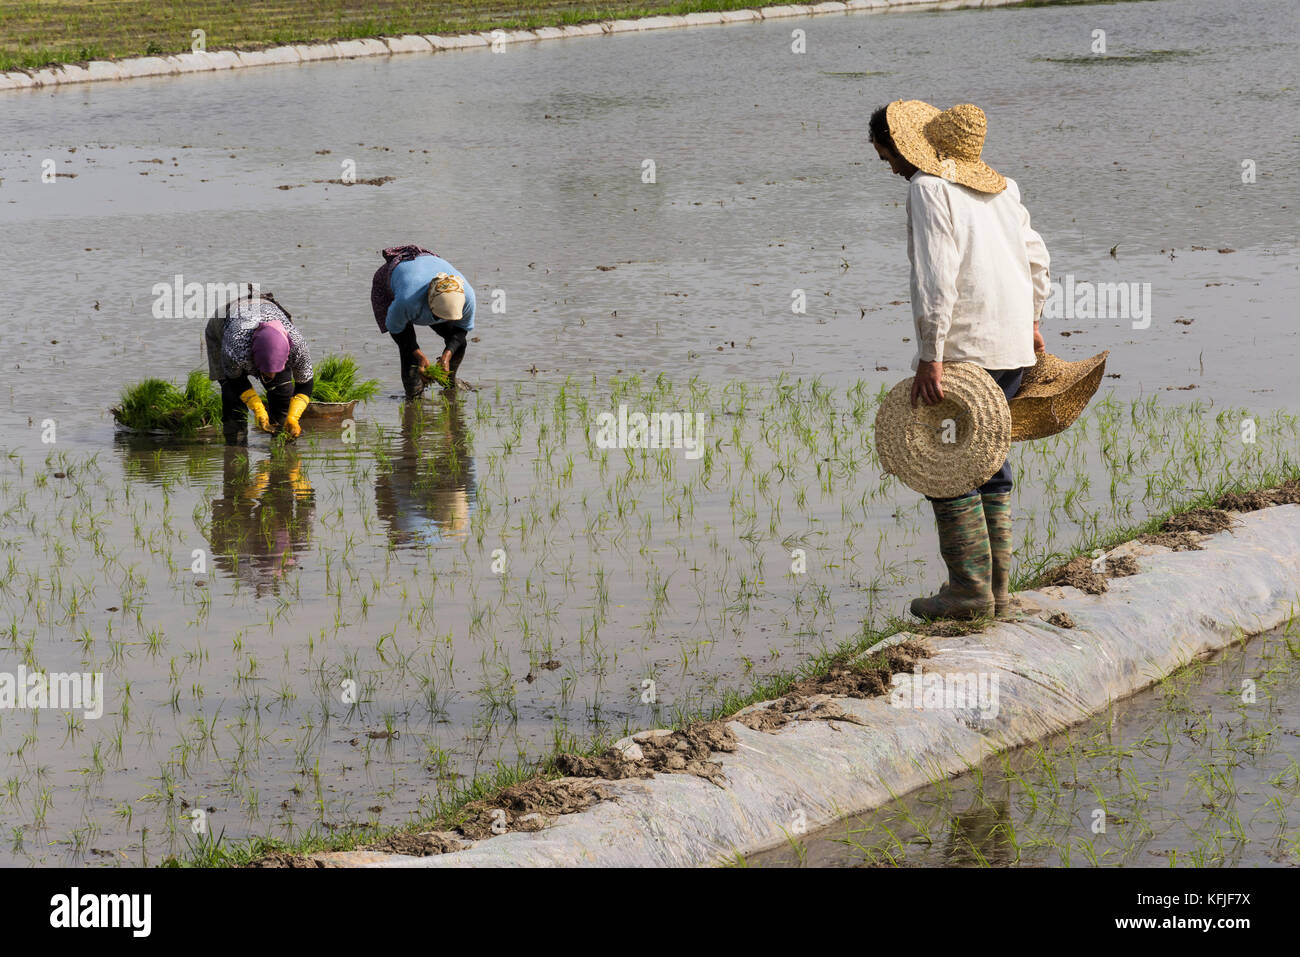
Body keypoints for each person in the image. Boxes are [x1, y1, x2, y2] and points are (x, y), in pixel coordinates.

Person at [869, 100, 1051, 620]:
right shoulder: (1004, 189)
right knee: (988, 461)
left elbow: (936, 277)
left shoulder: (928, 189)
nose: (887, 164)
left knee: (947, 466)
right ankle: (997, 591)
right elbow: (1037, 258)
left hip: (966, 353)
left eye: (884, 154)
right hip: (1011, 349)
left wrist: (931, 355)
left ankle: (968, 591)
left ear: (901, 146)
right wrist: (1033, 320)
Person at [204, 292, 314, 445]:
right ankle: (235, 446)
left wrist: (293, 417)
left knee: (281, 391)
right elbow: (234, 379)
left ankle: (283, 441)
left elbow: (306, 384)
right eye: (265, 371)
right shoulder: (237, 346)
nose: (270, 376)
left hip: (268, 314)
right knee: (232, 397)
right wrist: (257, 408)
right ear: (253, 359)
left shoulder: (296, 346)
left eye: (275, 370)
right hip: (223, 323)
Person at [369, 245, 476, 398]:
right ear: (429, 304)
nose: (442, 320)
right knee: (408, 352)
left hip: (426, 269)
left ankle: (449, 384)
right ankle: (414, 397)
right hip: (391, 280)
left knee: (459, 344)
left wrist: (447, 355)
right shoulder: (407, 301)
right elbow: (396, 330)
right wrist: (419, 355)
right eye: (439, 316)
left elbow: (461, 331)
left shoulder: (468, 298)